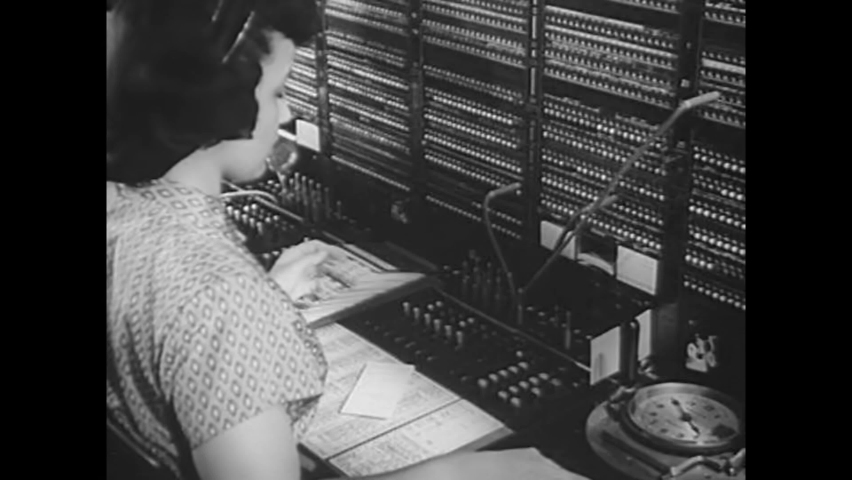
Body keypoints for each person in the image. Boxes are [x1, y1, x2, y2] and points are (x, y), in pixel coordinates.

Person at [106, 1, 589, 479]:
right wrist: (458, 472)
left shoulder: (122, 209)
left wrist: (258, 308)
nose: (288, 109)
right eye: (276, 92)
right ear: (217, 104)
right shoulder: (224, 299)